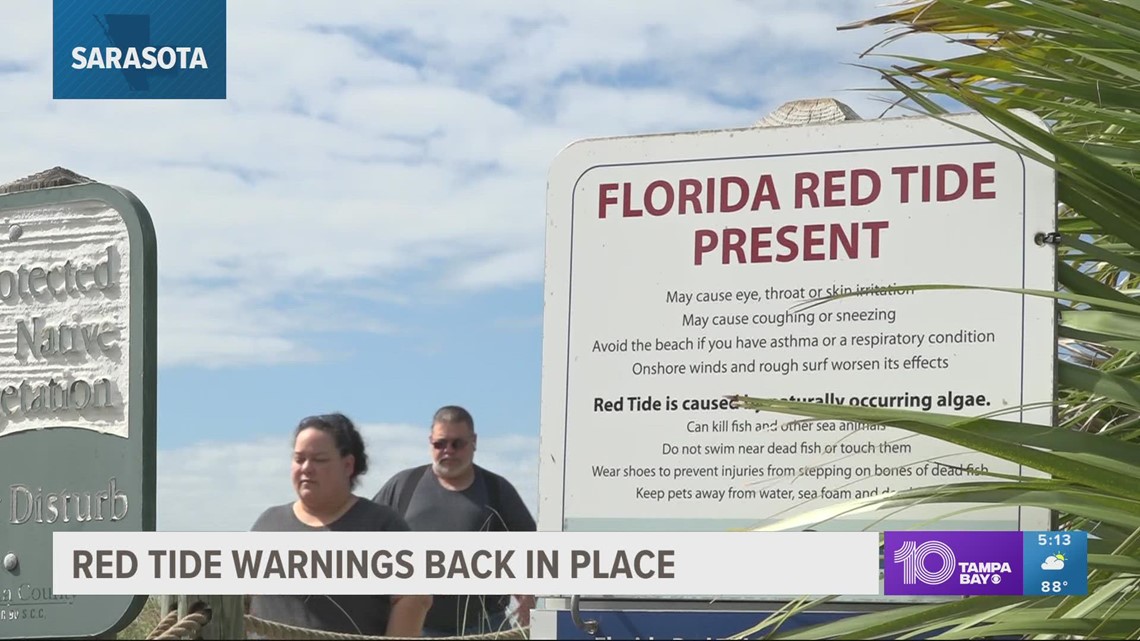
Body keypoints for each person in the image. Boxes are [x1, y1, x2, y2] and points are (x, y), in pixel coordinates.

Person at [249, 413, 432, 637]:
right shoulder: (267, 524)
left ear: (347, 465)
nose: (306, 468)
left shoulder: (381, 526)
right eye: (299, 459)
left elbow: (415, 598)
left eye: (319, 459)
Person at [373, 405, 536, 637]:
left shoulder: (496, 490)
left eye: (457, 444)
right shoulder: (404, 485)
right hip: (414, 628)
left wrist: (528, 596)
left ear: (474, 442)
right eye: (440, 444)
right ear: (430, 442)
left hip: (484, 628)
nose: (448, 451)